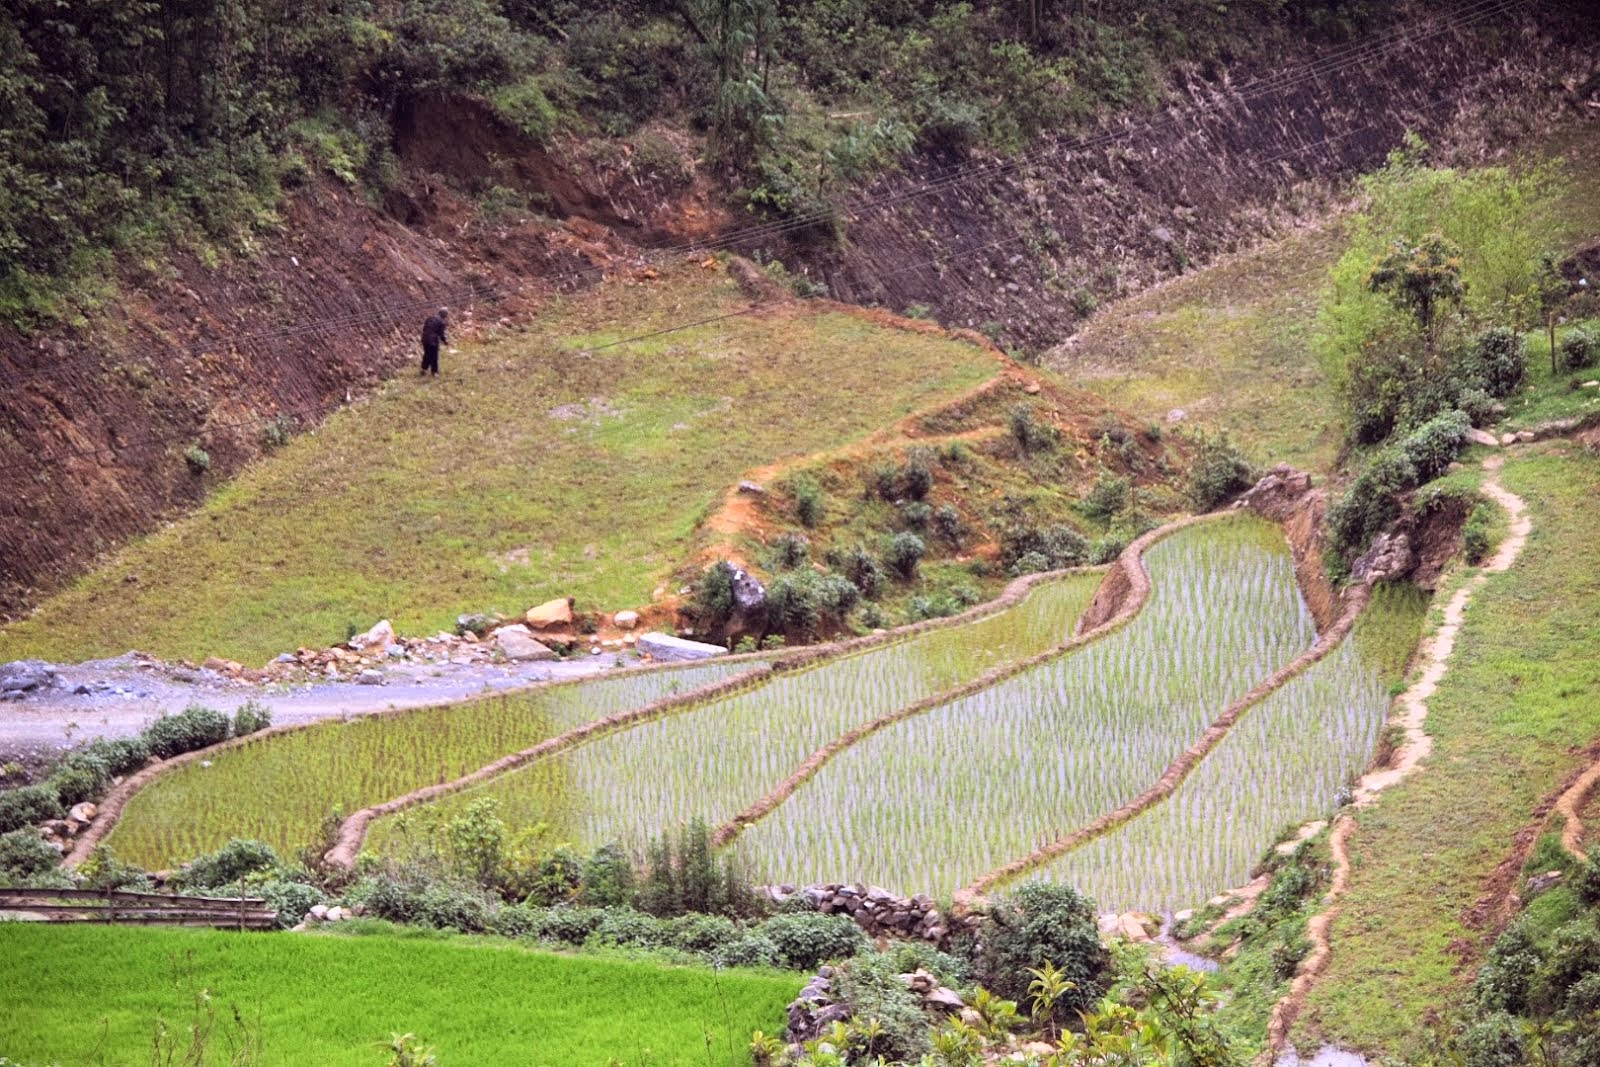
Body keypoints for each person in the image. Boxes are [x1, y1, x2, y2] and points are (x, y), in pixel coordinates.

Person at [420, 308, 448, 376]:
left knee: (427, 354)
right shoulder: (442, 322)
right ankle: (434, 372)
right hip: (432, 341)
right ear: (444, 315)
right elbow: (441, 334)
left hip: (424, 338)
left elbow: (424, 328)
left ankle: (424, 369)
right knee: (434, 356)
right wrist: (445, 341)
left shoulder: (430, 318)